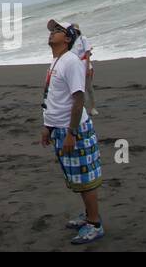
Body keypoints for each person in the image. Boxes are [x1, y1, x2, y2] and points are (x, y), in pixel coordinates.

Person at [43, 20, 105, 244]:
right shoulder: (56, 61)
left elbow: (78, 100)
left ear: (68, 38)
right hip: (60, 127)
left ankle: (95, 223)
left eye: (57, 31)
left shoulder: (70, 62)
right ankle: (89, 215)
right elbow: (54, 98)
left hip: (73, 129)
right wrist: (48, 126)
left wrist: (71, 132)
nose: (51, 34)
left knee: (85, 179)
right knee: (76, 177)